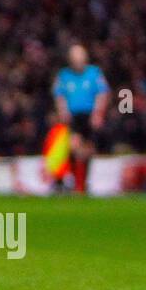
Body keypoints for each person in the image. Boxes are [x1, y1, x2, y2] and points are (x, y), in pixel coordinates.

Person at [51, 44, 109, 193]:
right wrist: (62, 111)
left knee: (88, 150)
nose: (79, 61)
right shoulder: (64, 75)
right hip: (73, 117)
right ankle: (73, 180)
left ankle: (83, 182)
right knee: (74, 146)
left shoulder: (94, 73)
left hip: (89, 116)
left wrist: (98, 114)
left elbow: (102, 93)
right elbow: (59, 95)